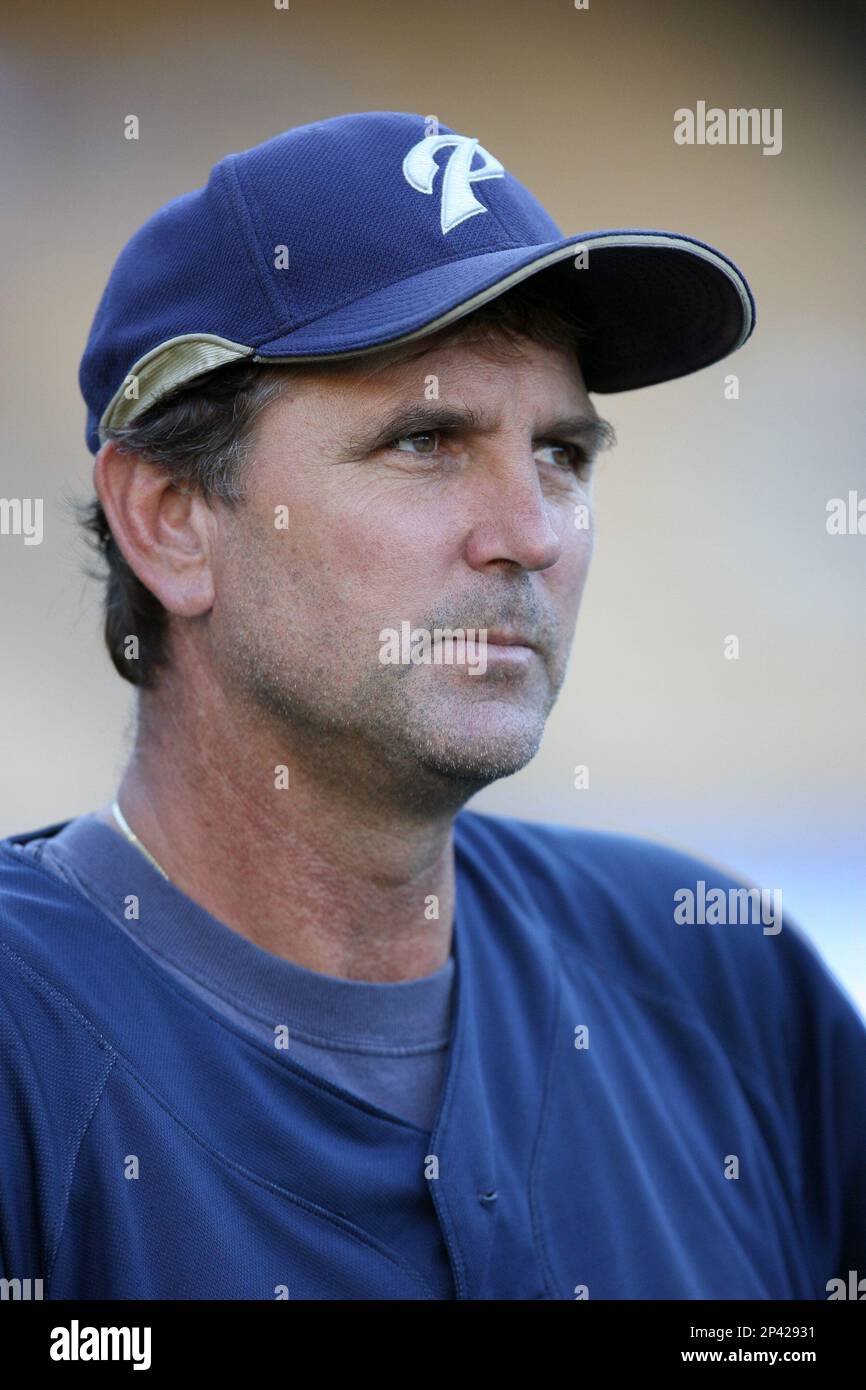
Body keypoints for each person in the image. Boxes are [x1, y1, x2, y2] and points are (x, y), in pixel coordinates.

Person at [1, 111, 863, 1301]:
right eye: (425, 438)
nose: (530, 534)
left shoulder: (714, 975)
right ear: (170, 517)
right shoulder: (23, 1050)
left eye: (563, 453)